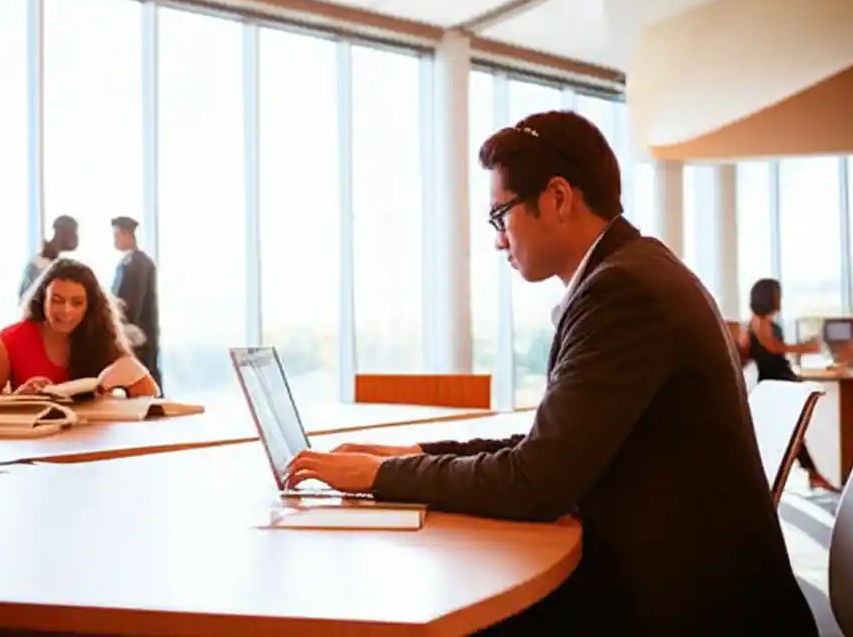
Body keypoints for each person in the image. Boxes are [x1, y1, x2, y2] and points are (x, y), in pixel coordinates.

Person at [288, 112, 818, 635]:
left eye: (501, 215)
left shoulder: (623, 293)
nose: (498, 239)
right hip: (678, 584)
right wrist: (416, 457)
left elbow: (536, 482)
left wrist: (378, 478)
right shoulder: (632, 270)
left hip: (684, 611)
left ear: (559, 198)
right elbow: (551, 447)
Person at [0, 258, 159, 398]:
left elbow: (150, 395)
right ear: (42, 299)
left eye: (77, 303)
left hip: (91, 441)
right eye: (56, 300)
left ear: (89, 307)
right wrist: (17, 400)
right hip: (33, 444)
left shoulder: (101, 339)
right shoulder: (11, 341)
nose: (65, 310)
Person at [745, 277, 837, 491]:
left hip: (779, 380)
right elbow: (773, 347)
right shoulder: (760, 322)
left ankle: (813, 474)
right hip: (778, 381)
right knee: (791, 434)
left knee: (793, 433)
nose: (780, 299)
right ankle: (813, 474)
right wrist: (806, 348)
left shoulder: (759, 322)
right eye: (777, 295)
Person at [110, 216, 160, 389]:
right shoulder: (133, 262)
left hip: (138, 336)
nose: (115, 240)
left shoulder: (136, 264)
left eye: (116, 235)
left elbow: (132, 303)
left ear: (126, 234)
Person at [19, 215, 79, 300]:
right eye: (72, 231)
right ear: (59, 231)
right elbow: (25, 298)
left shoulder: (58, 263)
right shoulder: (37, 265)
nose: (76, 237)